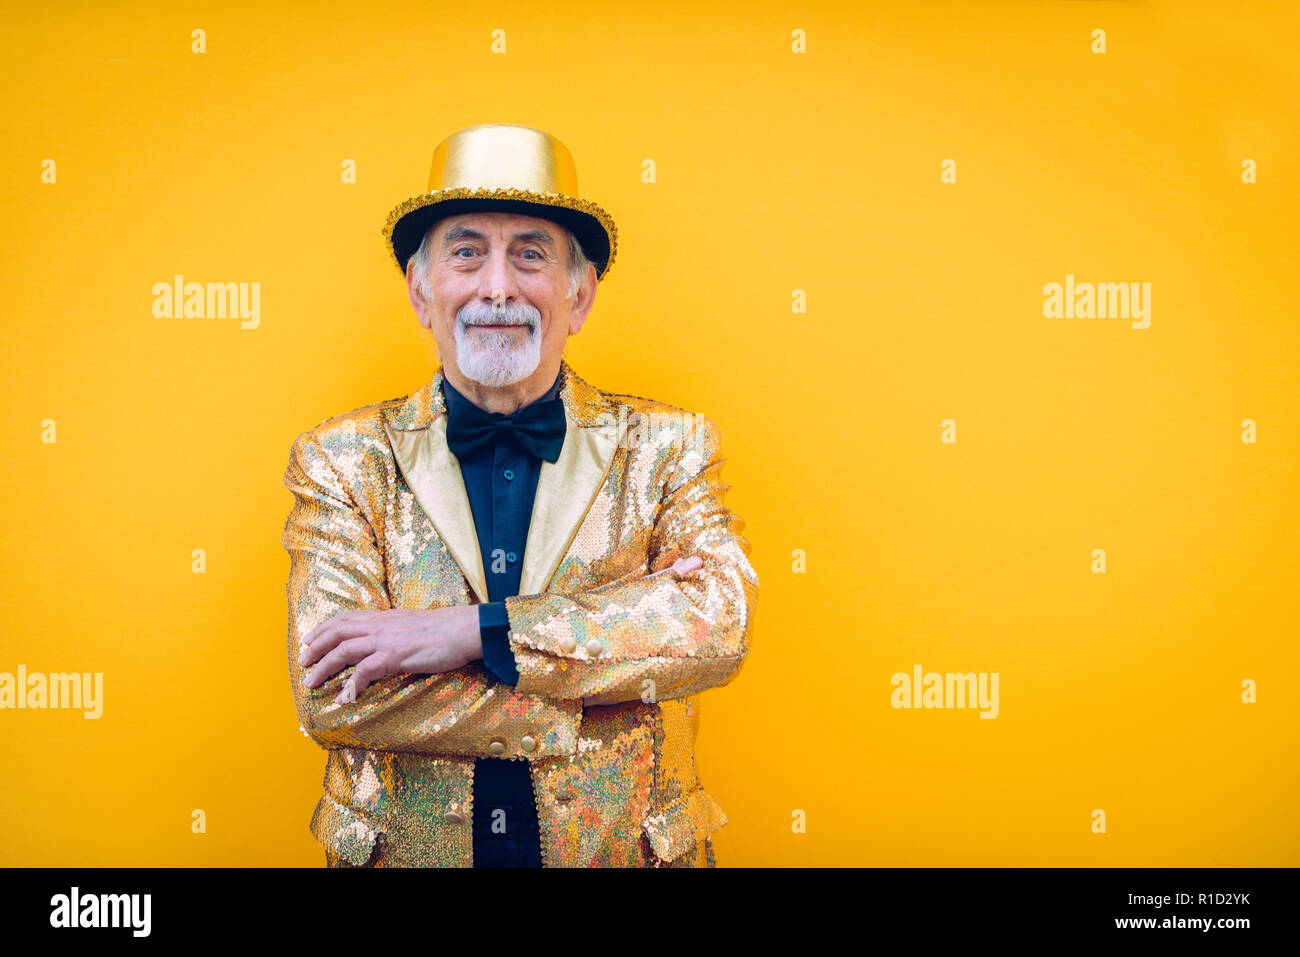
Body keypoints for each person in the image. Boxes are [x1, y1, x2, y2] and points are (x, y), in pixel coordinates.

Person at [282, 123, 759, 867]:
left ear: (580, 293)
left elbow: (718, 625)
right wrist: (607, 681)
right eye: (467, 252)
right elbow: (334, 688)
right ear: (420, 289)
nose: (498, 286)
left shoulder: (670, 447)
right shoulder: (341, 461)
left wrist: (473, 631)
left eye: (530, 254)